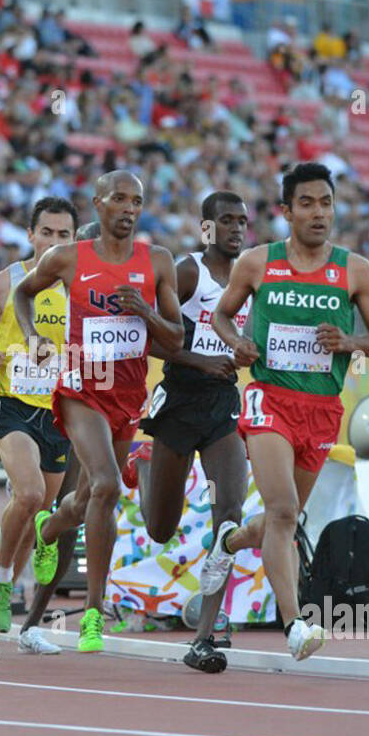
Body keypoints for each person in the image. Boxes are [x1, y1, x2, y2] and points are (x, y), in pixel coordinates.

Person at [212, 162, 369, 660]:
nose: (319, 213)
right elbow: (222, 316)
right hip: (268, 399)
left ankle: (228, 543)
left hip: (321, 409)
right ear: (287, 211)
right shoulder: (257, 263)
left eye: (327, 203)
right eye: (308, 203)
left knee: (278, 521)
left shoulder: (355, 269)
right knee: (284, 511)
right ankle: (295, 625)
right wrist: (238, 344)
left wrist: (350, 341)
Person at [15, 170, 185, 653]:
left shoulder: (158, 262)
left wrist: (146, 313)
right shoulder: (68, 257)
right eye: (119, 199)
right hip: (79, 389)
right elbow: (23, 293)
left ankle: (48, 529)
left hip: (128, 394)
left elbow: (176, 339)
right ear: (98, 204)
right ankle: (93, 614)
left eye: (137, 200)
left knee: (88, 497)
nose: (129, 208)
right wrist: (32, 337)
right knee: (108, 485)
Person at [125, 191, 254, 674]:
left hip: (222, 408)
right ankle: (145, 468)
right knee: (160, 530)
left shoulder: (249, 278)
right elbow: (152, 336)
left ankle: (204, 637)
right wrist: (201, 360)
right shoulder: (187, 271)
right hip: (179, 402)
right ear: (207, 228)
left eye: (243, 221)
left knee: (230, 516)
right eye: (226, 220)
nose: (237, 229)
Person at [0, 197, 80, 658]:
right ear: (30, 235)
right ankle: (2, 584)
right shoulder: (5, 282)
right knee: (27, 495)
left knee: (39, 512)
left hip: (60, 411)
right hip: (10, 405)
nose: (53, 242)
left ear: (74, 239)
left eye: (63, 235)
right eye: (45, 232)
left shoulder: (80, 286)